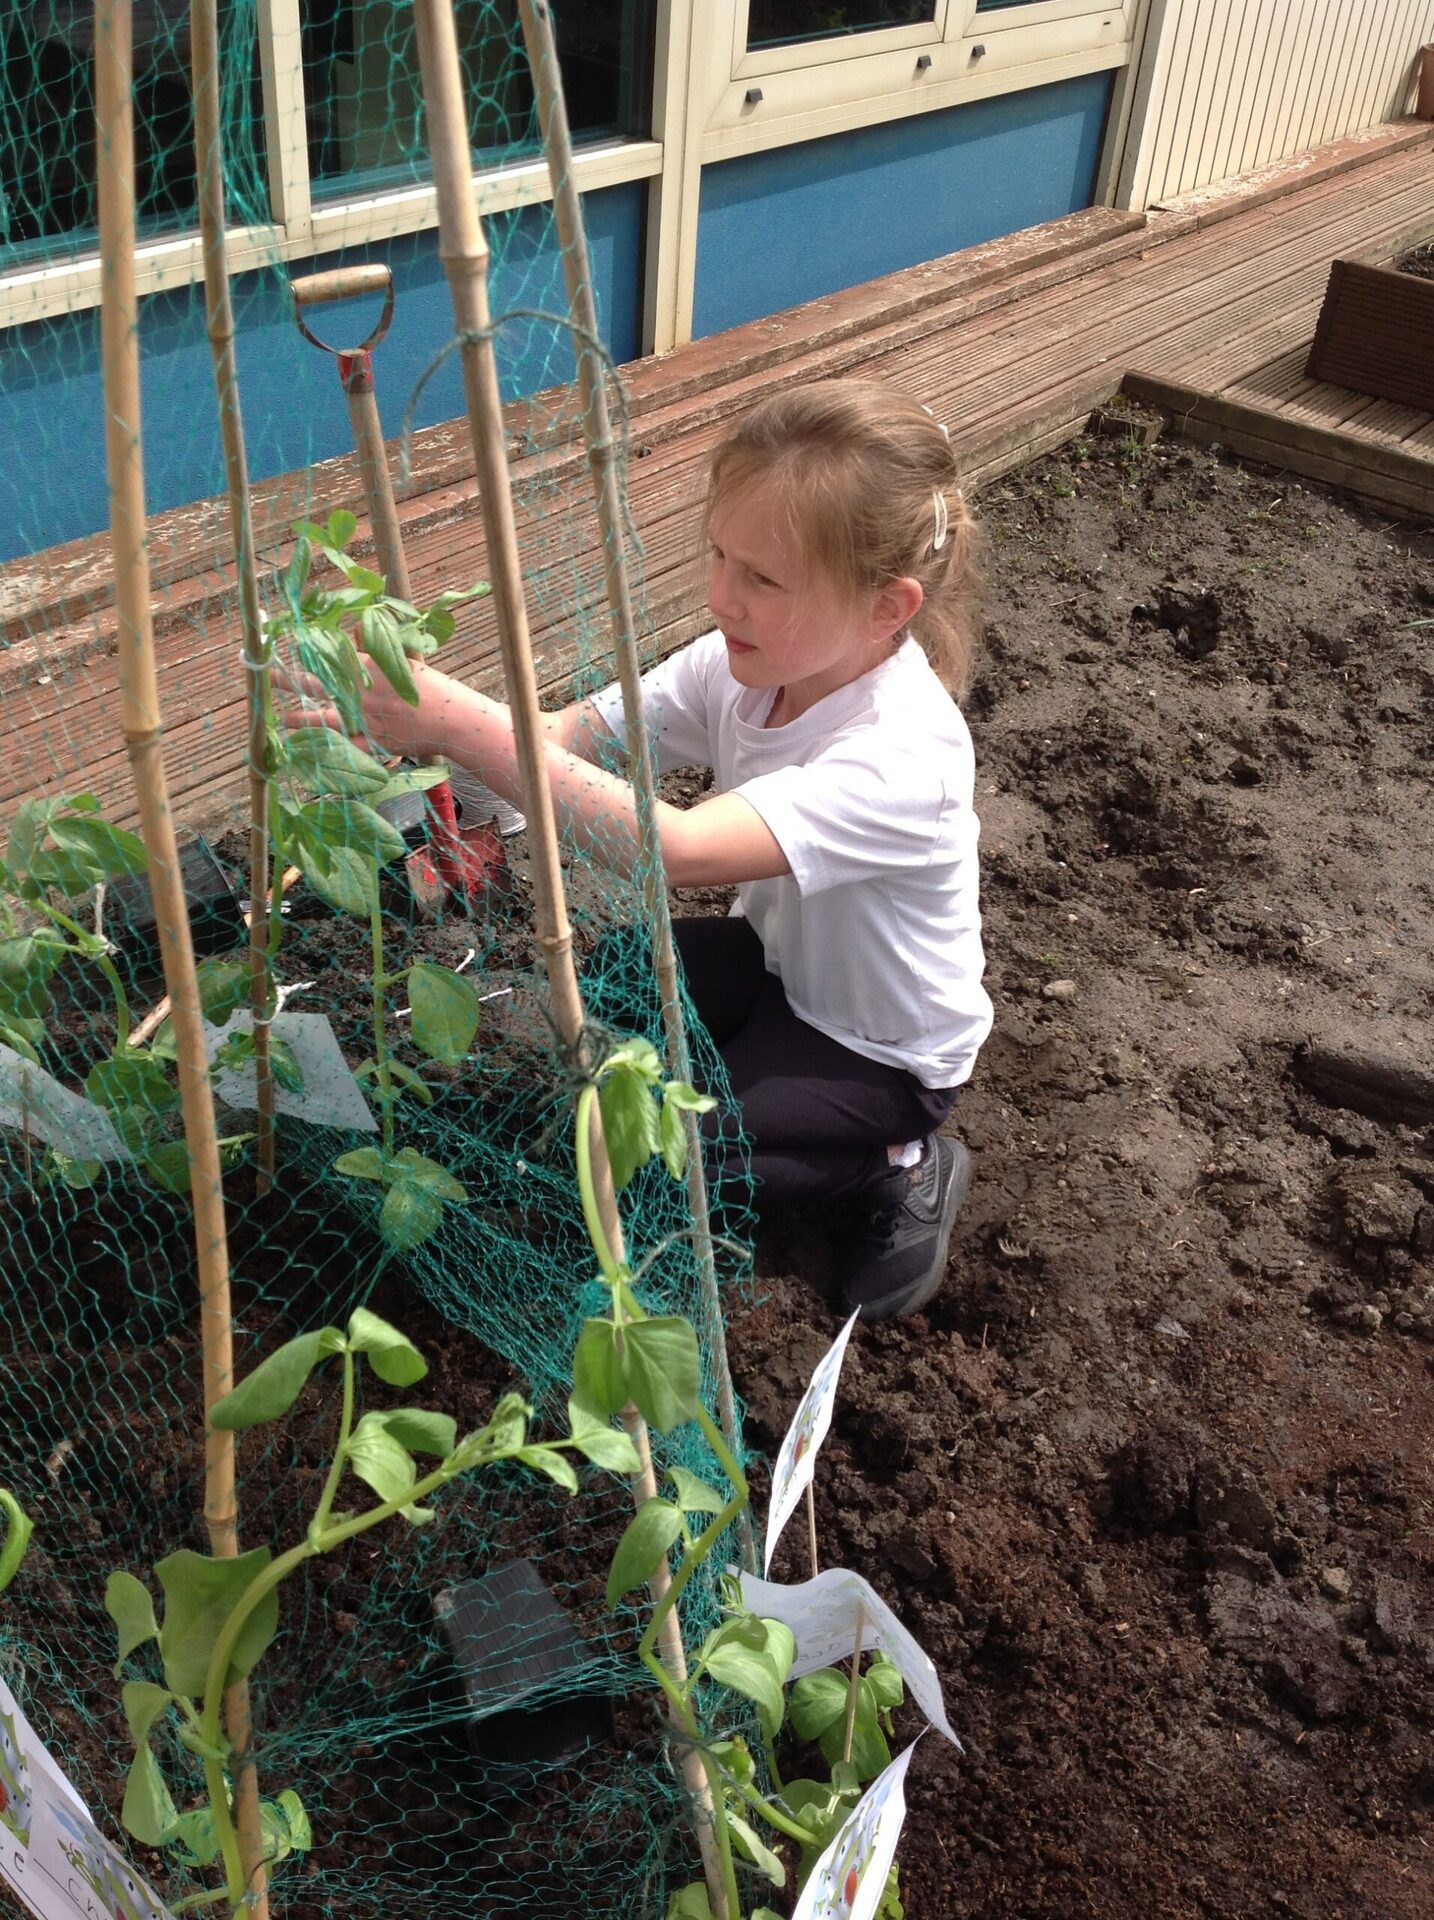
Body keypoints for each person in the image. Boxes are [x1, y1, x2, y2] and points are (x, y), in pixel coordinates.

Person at [285, 379, 992, 1320]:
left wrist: (457, 721)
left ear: (885, 607)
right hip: (780, 964)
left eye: (764, 579)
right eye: (719, 556)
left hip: (883, 1050)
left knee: (668, 1153)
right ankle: (769, 1112)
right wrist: (407, 744)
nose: (720, 595)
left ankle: (898, 1161)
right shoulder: (740, 666)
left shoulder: (908, 752)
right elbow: (565, 738)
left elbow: (680, 850)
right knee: (613, 988)